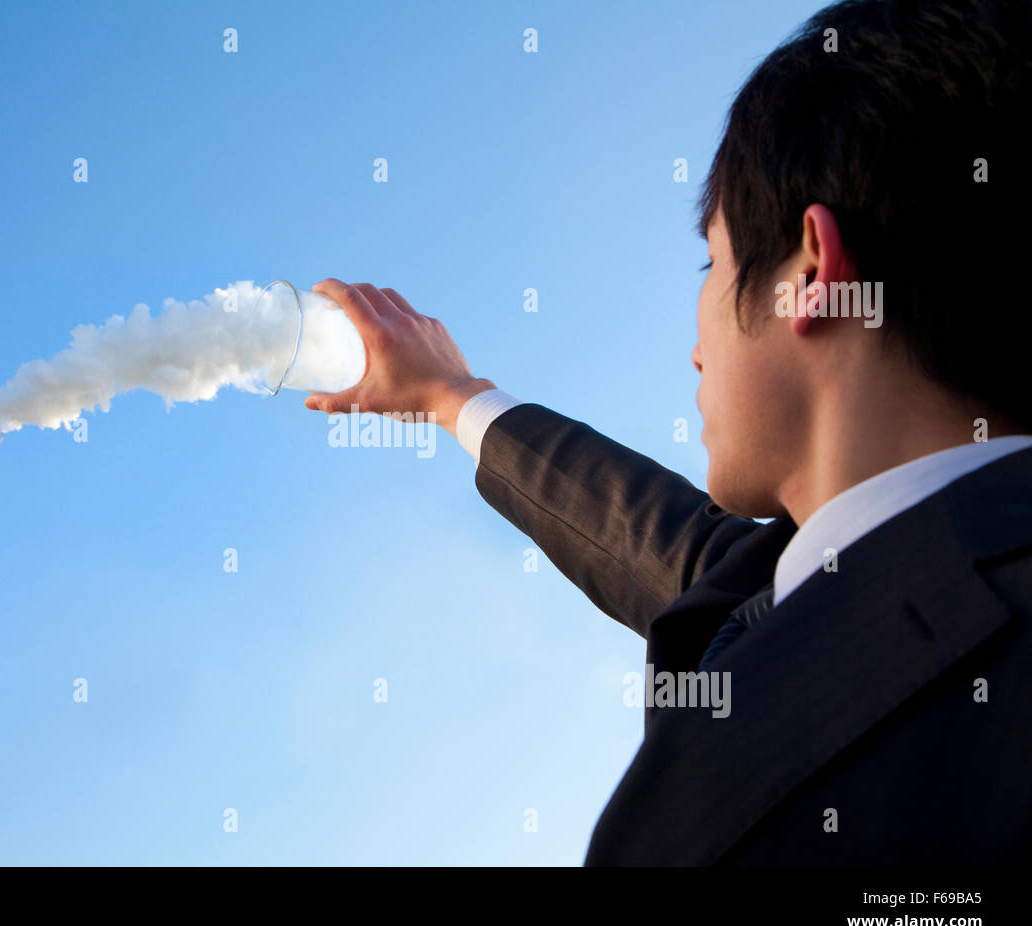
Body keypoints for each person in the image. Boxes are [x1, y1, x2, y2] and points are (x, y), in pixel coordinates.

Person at [302, 0, 1032, 864]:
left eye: (711, 261)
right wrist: (449, 395)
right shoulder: (792, 586)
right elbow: (672, 549)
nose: (694, 350)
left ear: (809, 272)